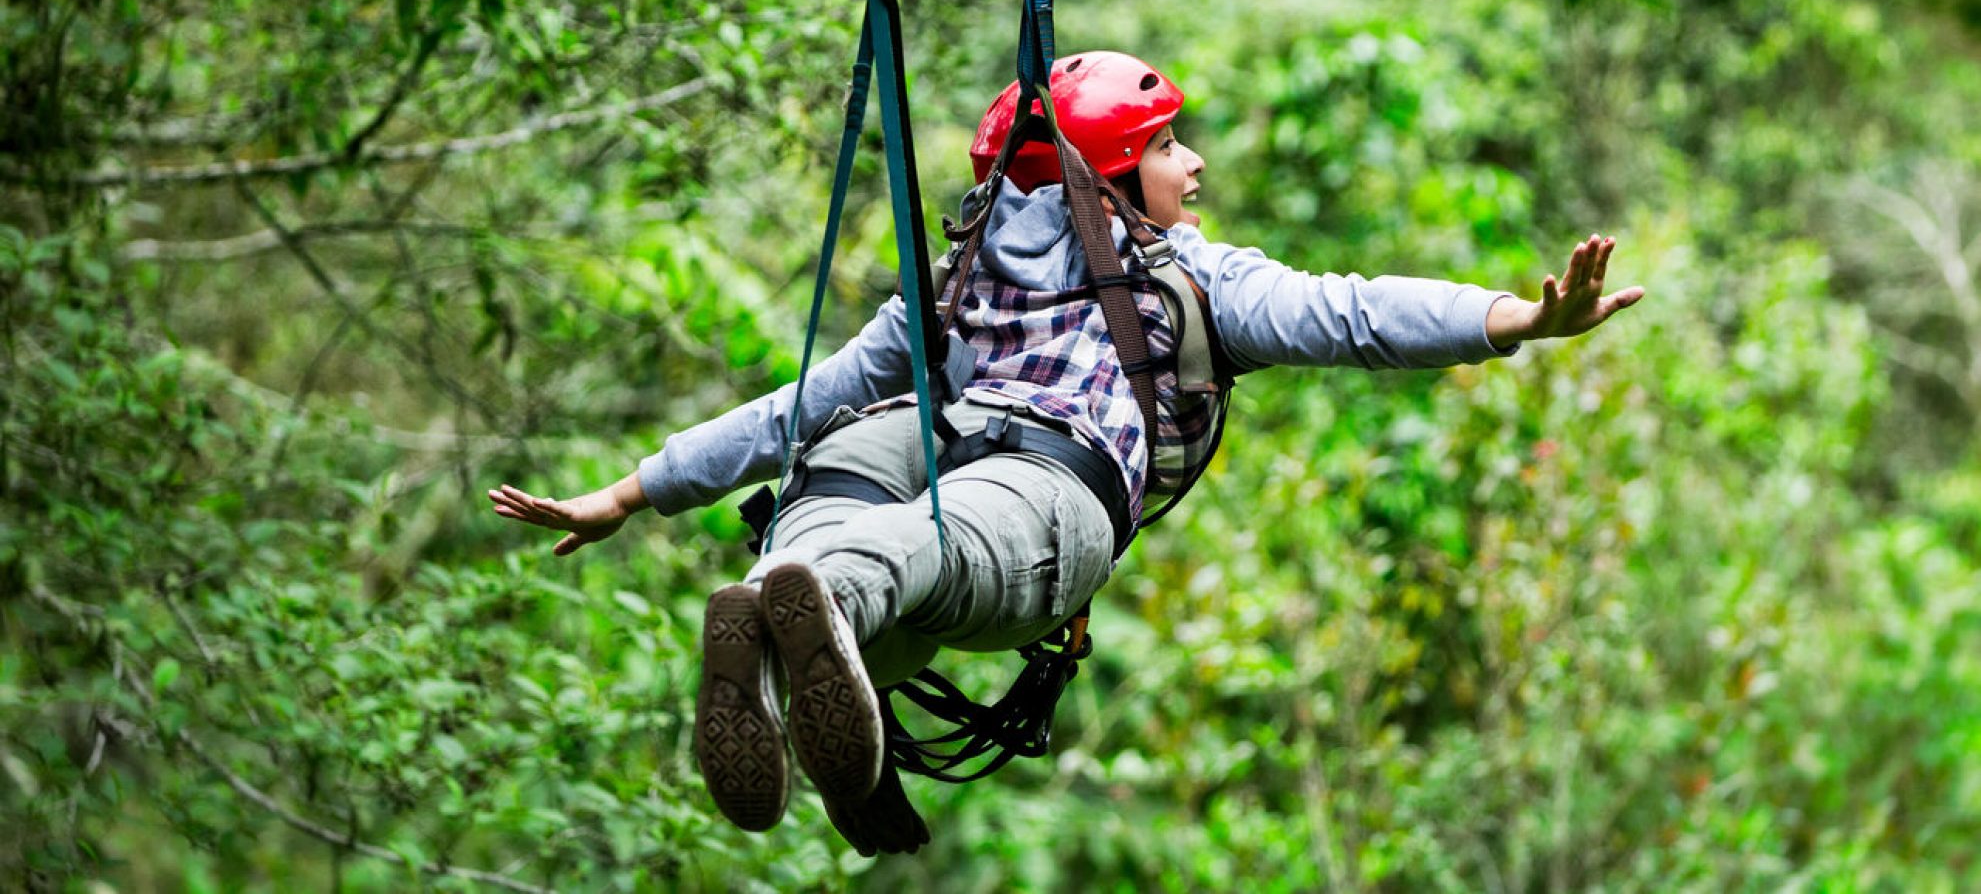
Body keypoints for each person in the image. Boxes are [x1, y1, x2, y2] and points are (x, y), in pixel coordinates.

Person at [487, 50, 1645, 852]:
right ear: (1105, 174)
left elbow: (798, 405)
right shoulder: (1190, 274)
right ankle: (818, 600)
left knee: (840, 471)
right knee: (926, 544)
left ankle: (787, 600)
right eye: (1164, 145)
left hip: (931, 441)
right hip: (1051, 485)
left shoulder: (955, 282)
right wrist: (1514, 320)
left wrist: (636, 491)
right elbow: (1350, 313)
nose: (1189, 165)